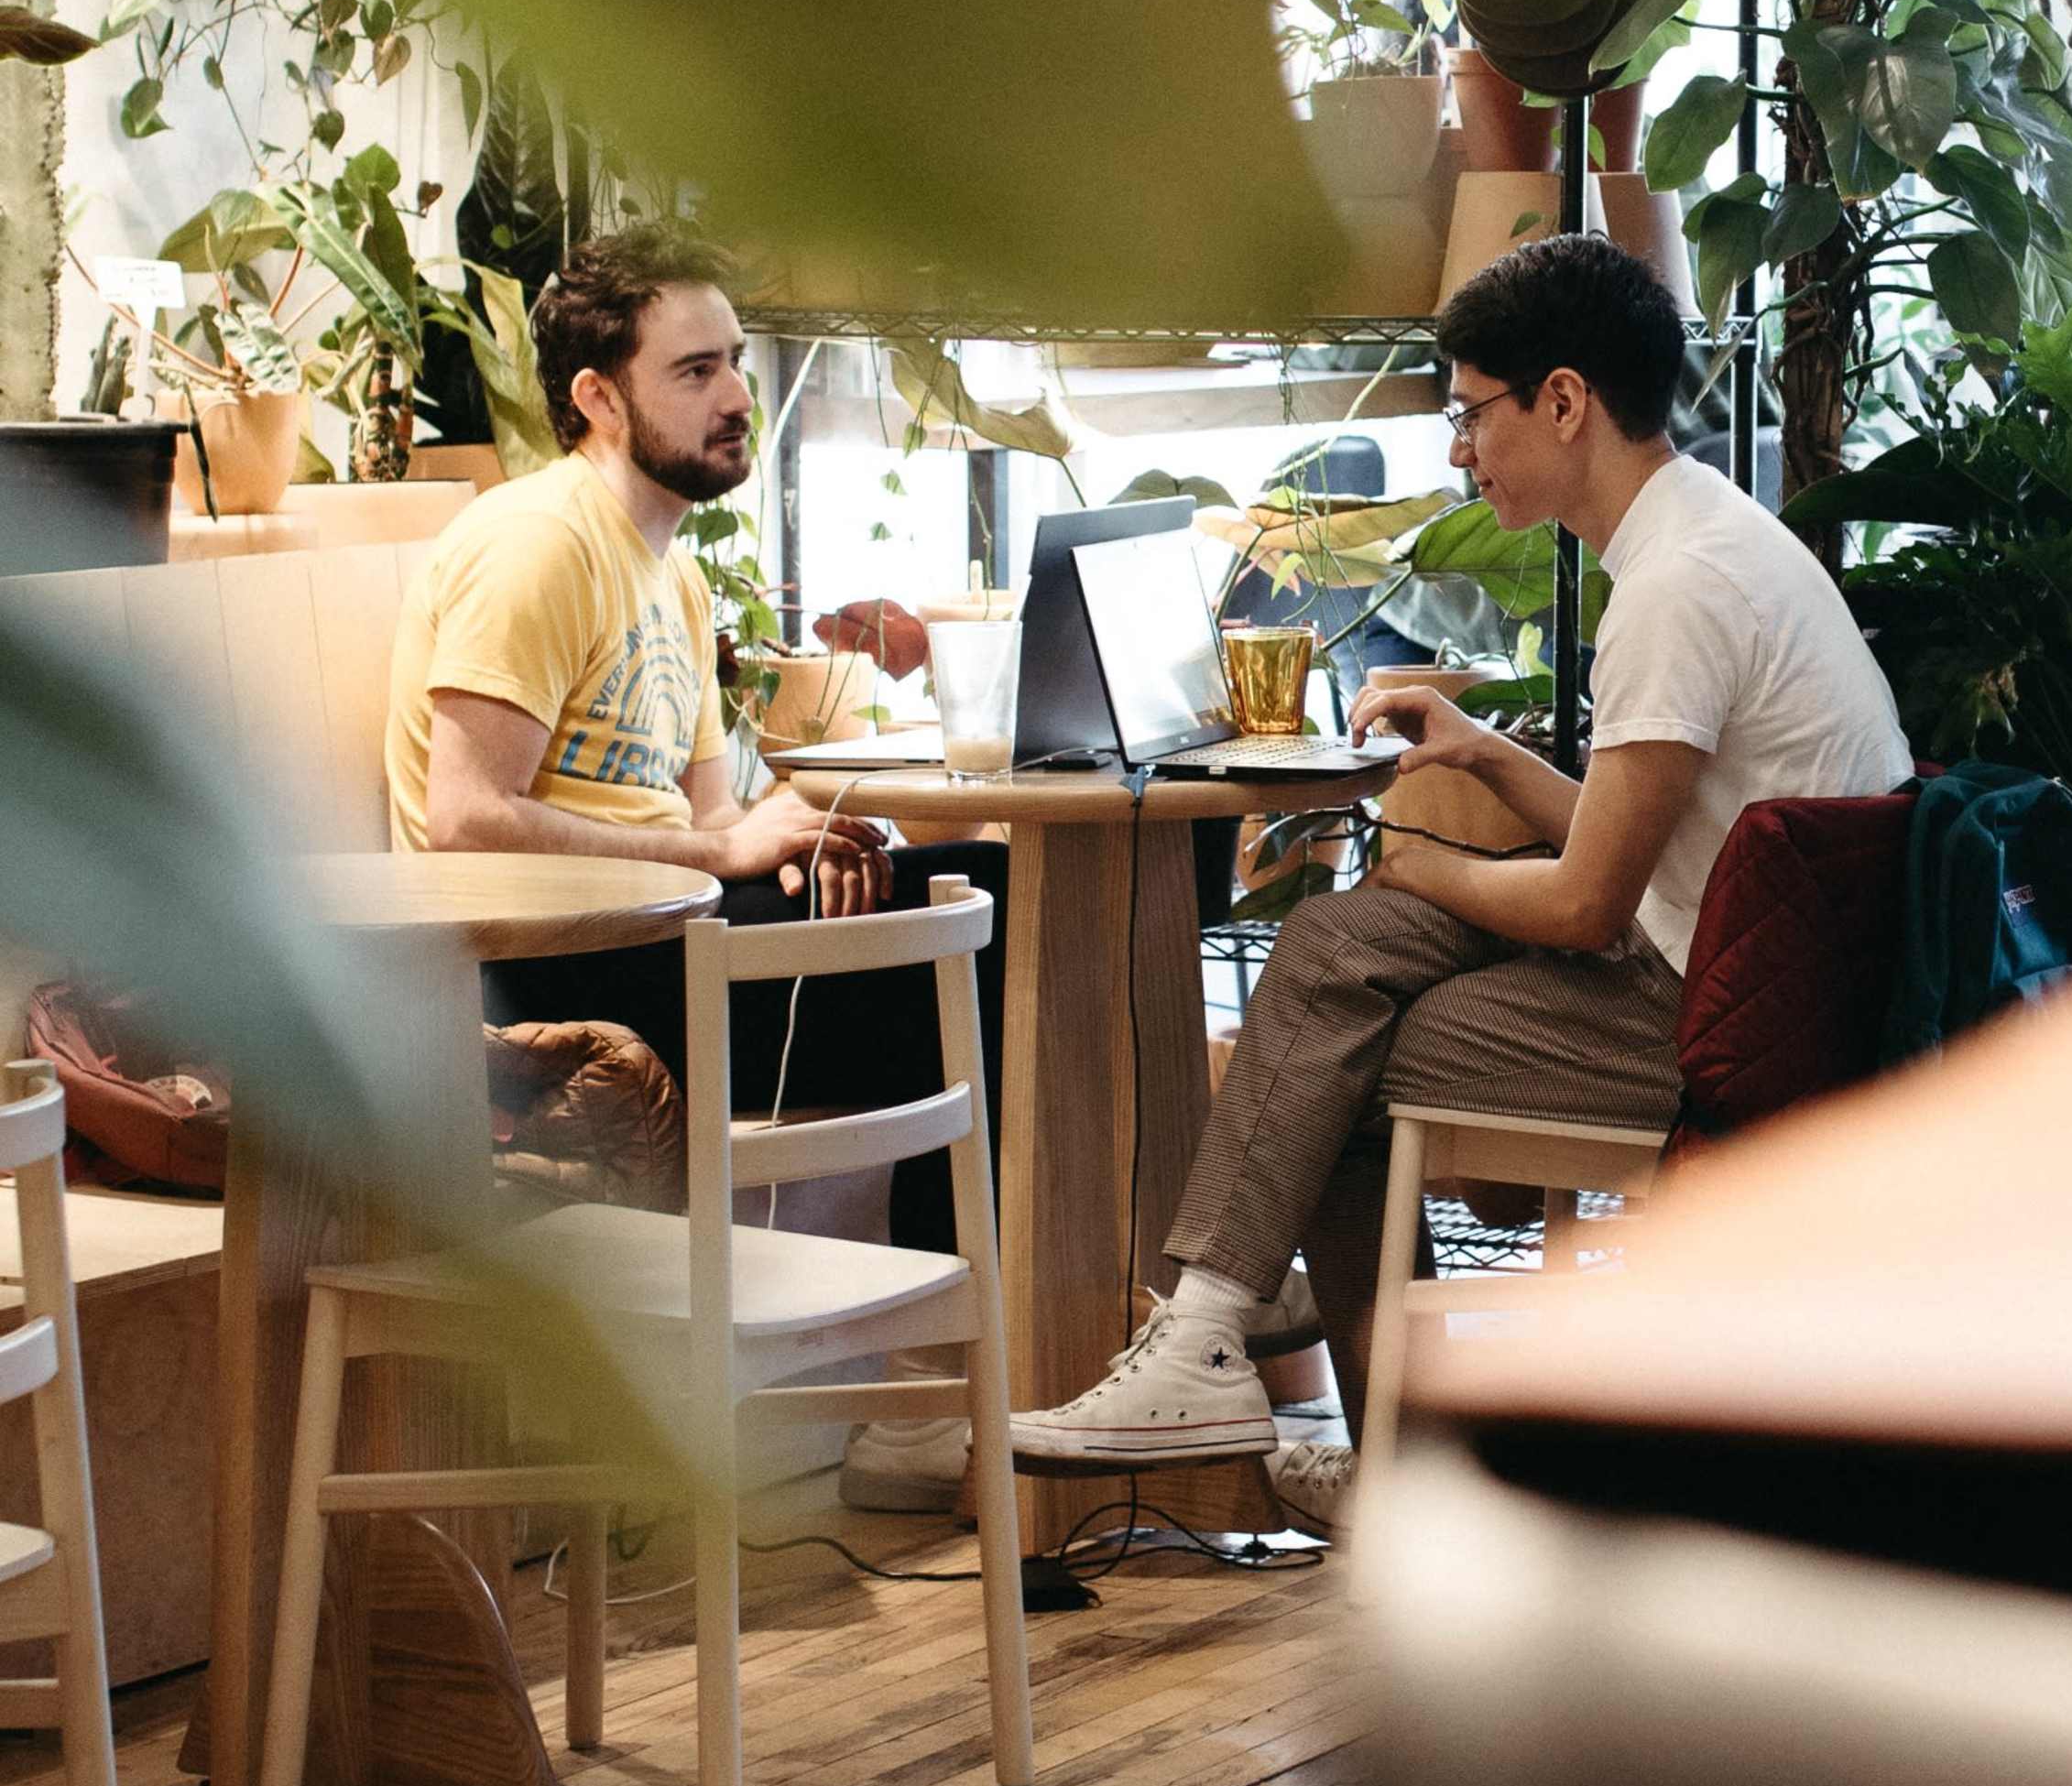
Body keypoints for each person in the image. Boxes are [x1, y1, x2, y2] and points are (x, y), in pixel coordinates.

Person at [1010, 227, 1911, 1490]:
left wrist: (1425, 868)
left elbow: (1591, 900)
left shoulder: (1676, 591)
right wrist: (1484, 755)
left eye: (1472, 412)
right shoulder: (1710, 537)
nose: (1456, 447)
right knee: (1334, 953)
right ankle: (1250, 1354)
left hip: (1718, 1026)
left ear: (1563, 401)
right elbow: (1631, 844)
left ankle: (1275, 1377)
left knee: (1337, 1049)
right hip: (1736, 973)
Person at [386, 223, 1004, 1504]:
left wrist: (810, 843)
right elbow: (466, 819)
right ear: (597, 398)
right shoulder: (539, 545)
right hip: (535, 978)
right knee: (962, 981)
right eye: (694, 372)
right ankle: (914, 1402)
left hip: (660, 934)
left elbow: (716, 818)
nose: (736, 399)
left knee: (973, 906)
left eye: (736, 365)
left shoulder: (670, 577)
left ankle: (949, 1384)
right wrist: (719, 848)